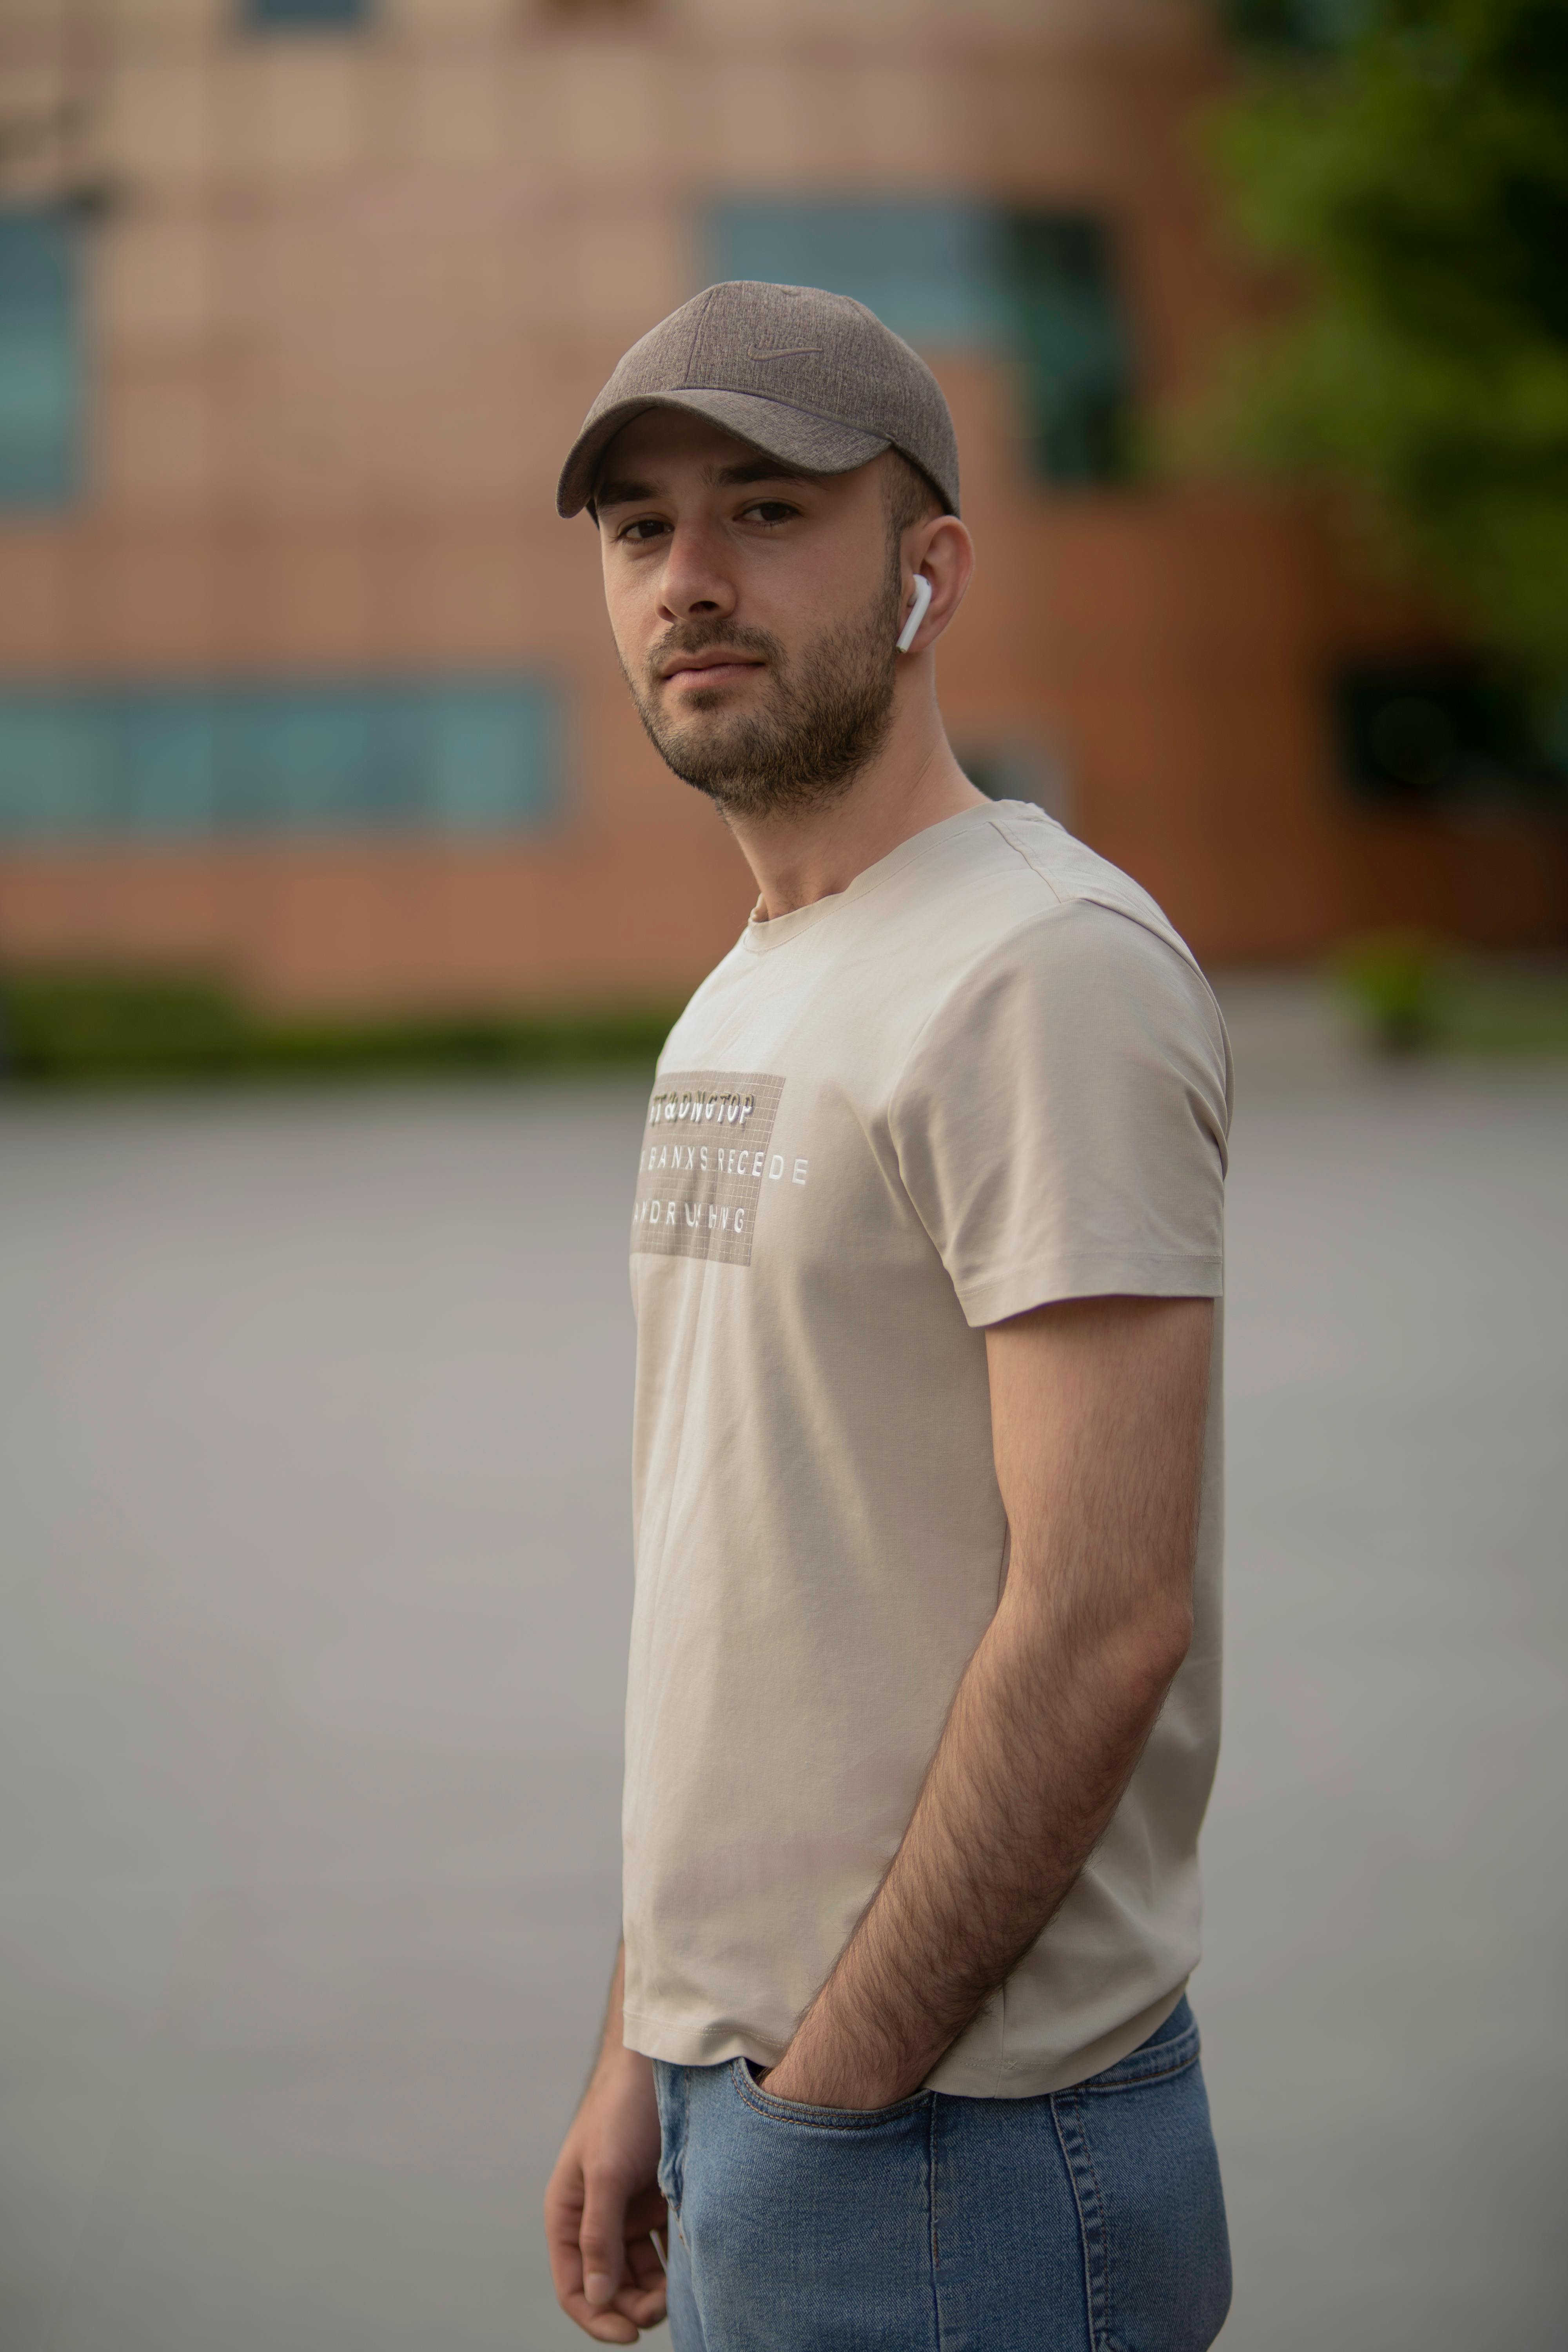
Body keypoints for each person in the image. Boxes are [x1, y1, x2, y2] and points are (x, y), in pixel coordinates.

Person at [543, 281, 1233, 2351]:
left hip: (961, 2156)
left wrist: (831, 2094)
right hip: (757, 2095)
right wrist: (645, 2045)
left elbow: (1105, 1614)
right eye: (641, 530)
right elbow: (739, 1585)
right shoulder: (751, 986)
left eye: (765, 511)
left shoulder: (1040, 969)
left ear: (930, 572)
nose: (691, 581)